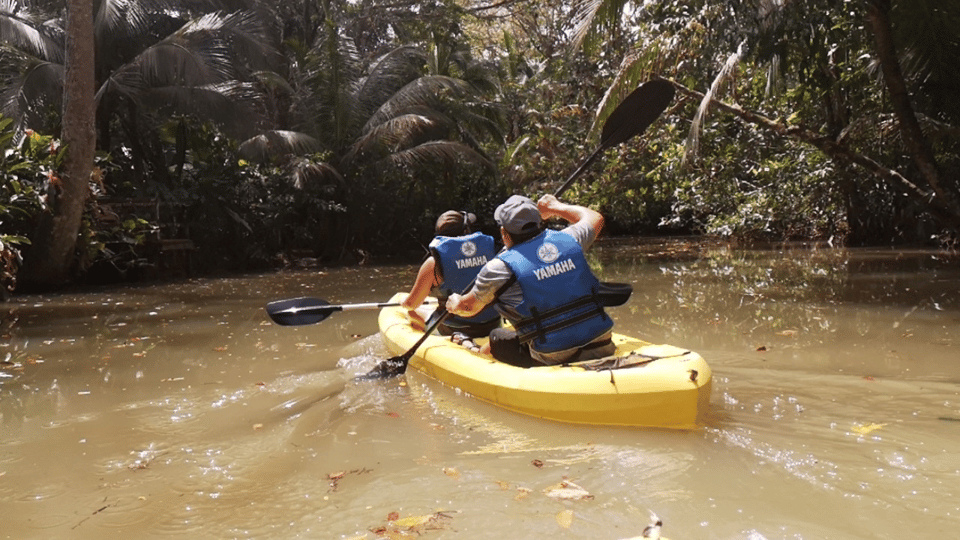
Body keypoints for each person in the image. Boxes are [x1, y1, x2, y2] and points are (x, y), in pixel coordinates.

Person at [445, 194, 616, 366]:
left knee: (496, 337)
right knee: (505, 337)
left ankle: (475, 353)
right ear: (539, 222)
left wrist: (455, 302)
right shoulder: (571, 238)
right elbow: (596, 217)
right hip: (602, 340)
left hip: (552, 354)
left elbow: (469, 308)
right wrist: (555, 207)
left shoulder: (497, 268)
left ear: (504, 233)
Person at [401, 210, 501, 340]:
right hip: (492, 324)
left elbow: (412, 304)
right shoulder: (493, 251)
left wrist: (403, 303)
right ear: (466, 230)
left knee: (411, 312)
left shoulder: (433, 262)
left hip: (454, 327)